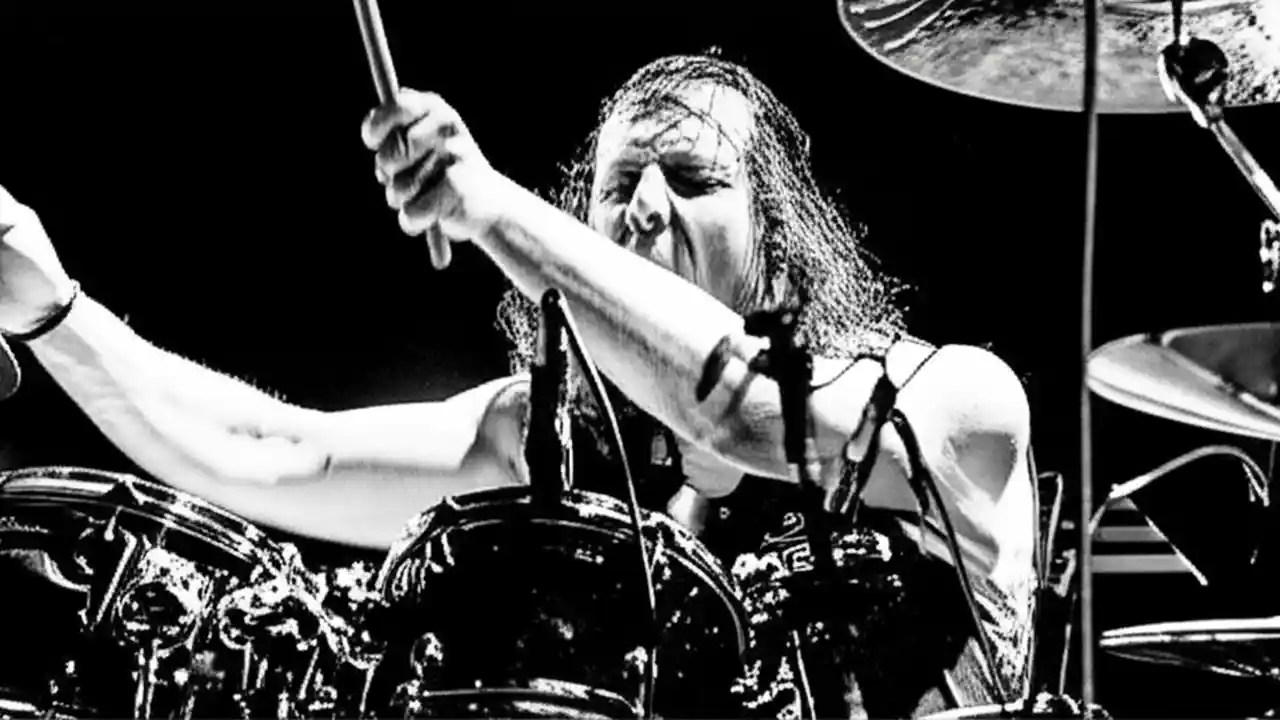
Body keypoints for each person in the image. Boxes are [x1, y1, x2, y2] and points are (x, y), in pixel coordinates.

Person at [0, 53, 1037, 718]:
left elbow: (747, 410)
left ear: (774, 234)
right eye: (616, 186)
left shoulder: (951, 399)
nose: (640, 208)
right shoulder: (548, 443)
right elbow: (273, 453)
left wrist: (489, 205)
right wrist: (51, 306)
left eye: (691, 178)